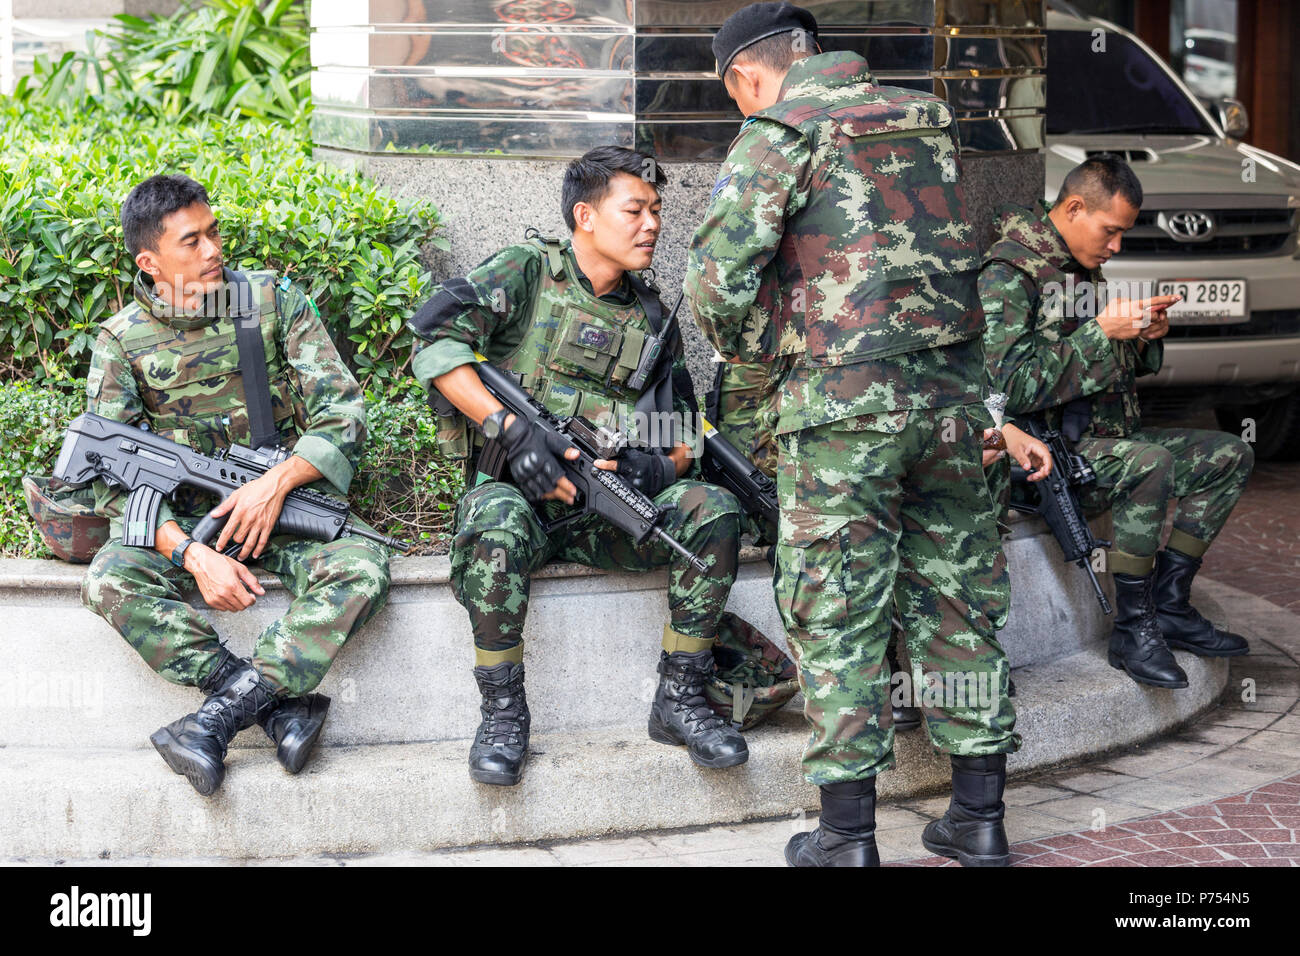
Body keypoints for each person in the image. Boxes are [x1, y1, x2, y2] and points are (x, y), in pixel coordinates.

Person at [685, 2, 1050, 867]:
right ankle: (980, 818)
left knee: (840, 605)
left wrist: (782, 353)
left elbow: (713, 286)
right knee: (959, 595)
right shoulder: (926, 117)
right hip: (955, 408)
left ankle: (847, 836)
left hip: (844, 412)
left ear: (746, 75)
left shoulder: (780, 132)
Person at [409, 145, 749, 788]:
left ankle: (680, 695)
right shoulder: (528, 272)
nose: (652, 225)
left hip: (608, 509)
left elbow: (681, 430)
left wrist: (654, 471)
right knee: (492, 521)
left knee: (715, 513)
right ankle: (503, 712)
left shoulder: (652, 317)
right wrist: (510, 430)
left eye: (657, 211)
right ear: (585, 216)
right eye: (635, 210)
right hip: (522, 502)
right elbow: (433, 337)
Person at [79, 174, 392, 795]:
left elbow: (343, 414)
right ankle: (274, 707)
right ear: (150, 260)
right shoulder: (122, 342)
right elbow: (110, 481)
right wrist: (192, 556)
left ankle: (216, 721)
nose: (213, 250)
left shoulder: (271, 302)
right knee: (109, 578)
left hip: (283, 502)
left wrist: (274, 485)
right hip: (188, 523)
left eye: (213, 231)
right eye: (191, 242)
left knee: (363, 568)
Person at [980, 154, 1253, 690]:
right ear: (1074, 208)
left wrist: (1143, 339)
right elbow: (1004, 387)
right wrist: (1101, 333)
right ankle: (1132, 627)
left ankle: (1170, 603)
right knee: (1149, 464)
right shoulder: (1009, 274)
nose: (1116, 246)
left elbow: (1096, 367)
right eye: (1111, 231)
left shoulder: (1080, 268)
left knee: (1229, 455)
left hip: (1105, 437)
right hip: (1044, 456)